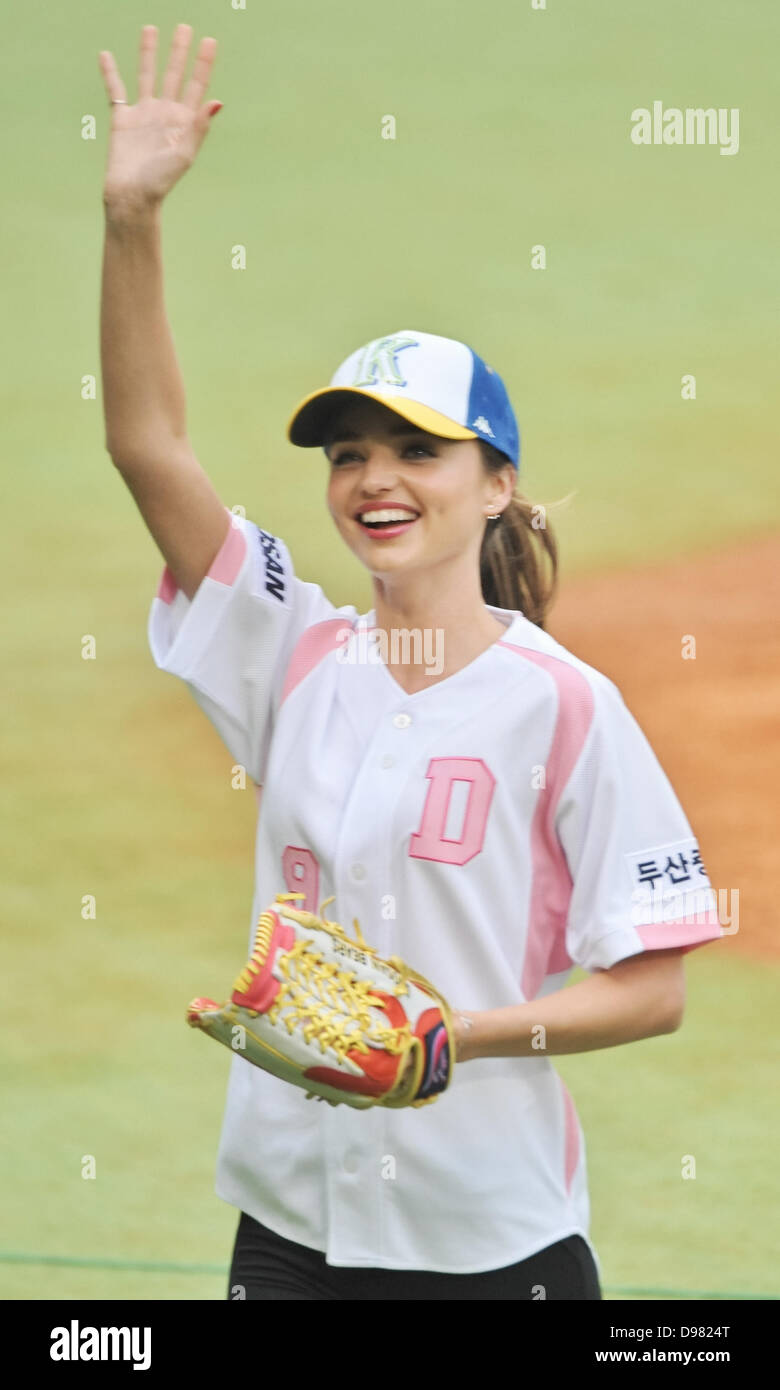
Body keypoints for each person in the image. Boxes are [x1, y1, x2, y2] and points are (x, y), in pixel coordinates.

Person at [99, 23, 724, 1302]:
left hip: (488, 1242)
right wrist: (130, 219)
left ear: (497, 484)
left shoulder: (563, 705)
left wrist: (451, 1039)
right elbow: (148, 445)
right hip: (288, 1224)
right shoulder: (293, 651)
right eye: (346, 453)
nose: (375, 480)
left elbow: (651, 987)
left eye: (416, 450)